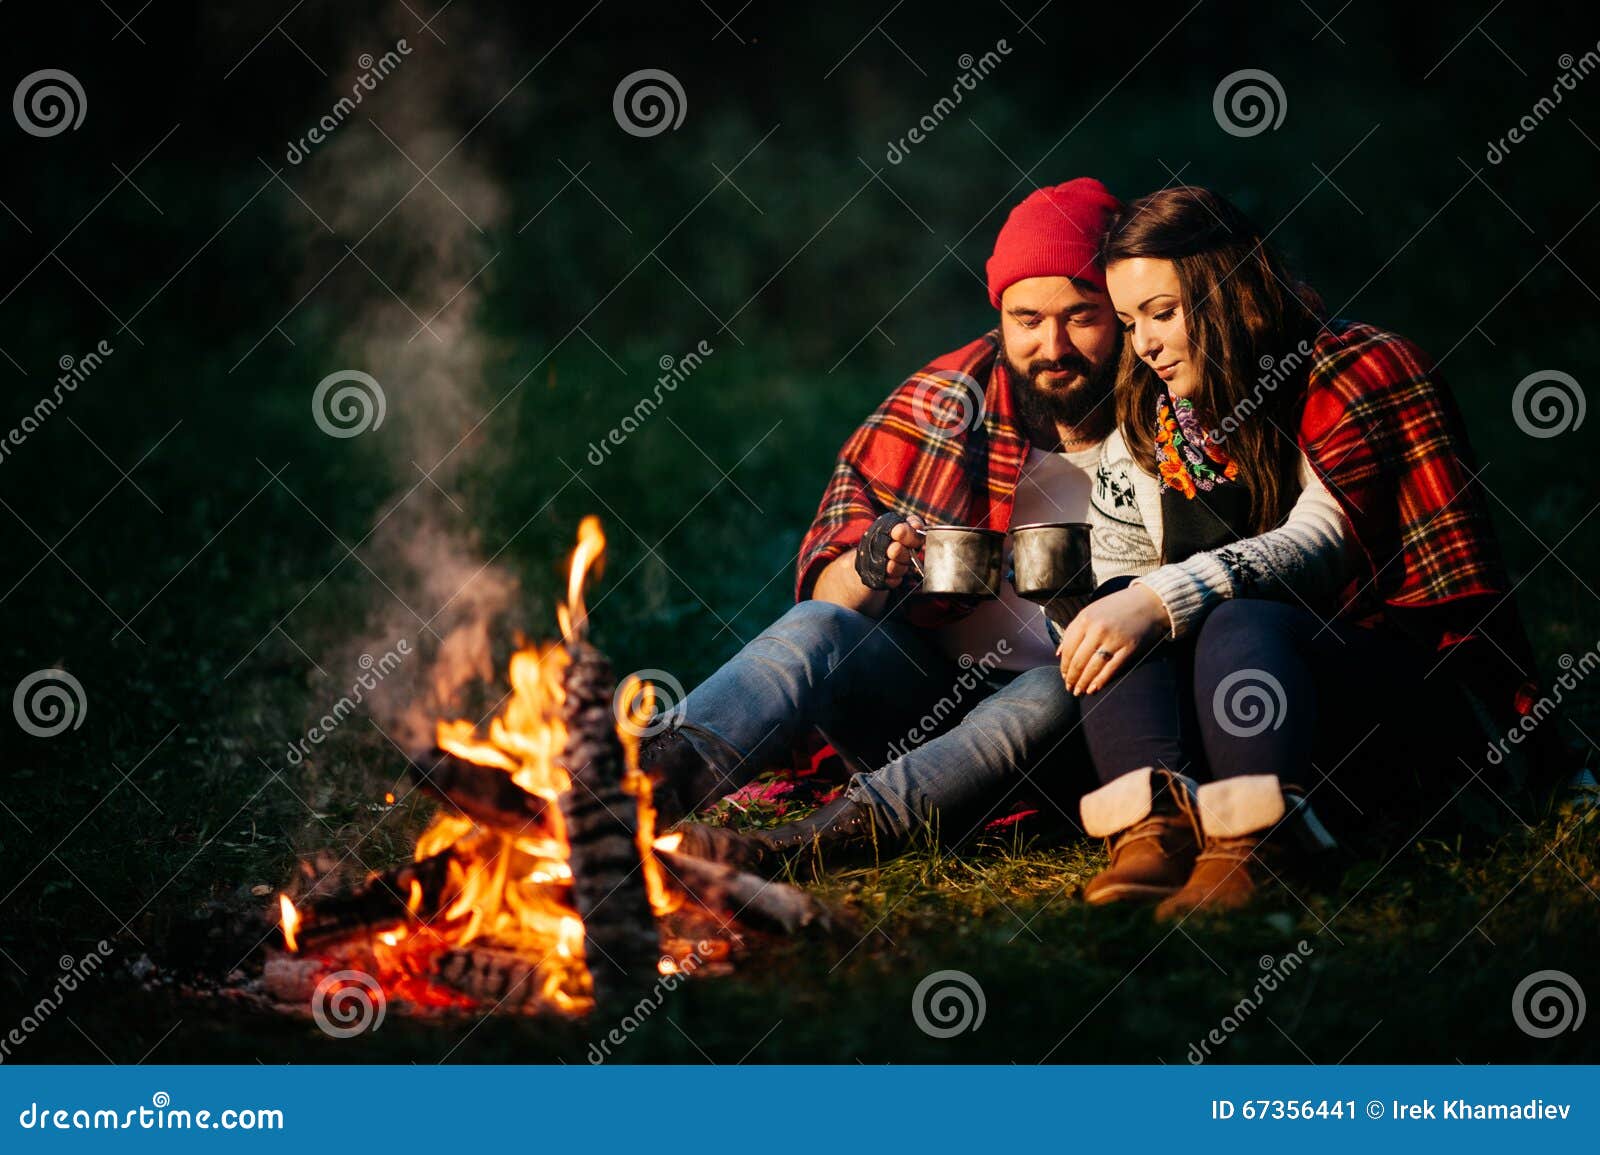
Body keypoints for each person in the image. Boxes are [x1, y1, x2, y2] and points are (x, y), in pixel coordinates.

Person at [1056, 186, 1546, 918]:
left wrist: (1162, 598)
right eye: (1129, 323)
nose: (1145, 344)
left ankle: (1261, 839)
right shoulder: (1158, 411)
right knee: (1115, 611)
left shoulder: (1355, 368)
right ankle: (1154, 826)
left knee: (1236, 620)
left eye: (1163, 313)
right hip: (1242, 706)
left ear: (1229, 290)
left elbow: (1325, 539)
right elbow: (1129, 564)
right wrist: (1121, 602)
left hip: (1387, 682)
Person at [647, 177, 1130, 874]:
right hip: (921, 701)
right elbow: (829, 598)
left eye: (1081, 316)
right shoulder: (943, 402)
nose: (1052, 345)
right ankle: (631, 792)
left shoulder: (1168, 421)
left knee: (1055, 685)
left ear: (1122, 311)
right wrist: (870, 566)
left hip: (1075, 729)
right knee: (816, 630)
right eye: (1027, 319)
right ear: (1000, 314)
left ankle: (814, 844)